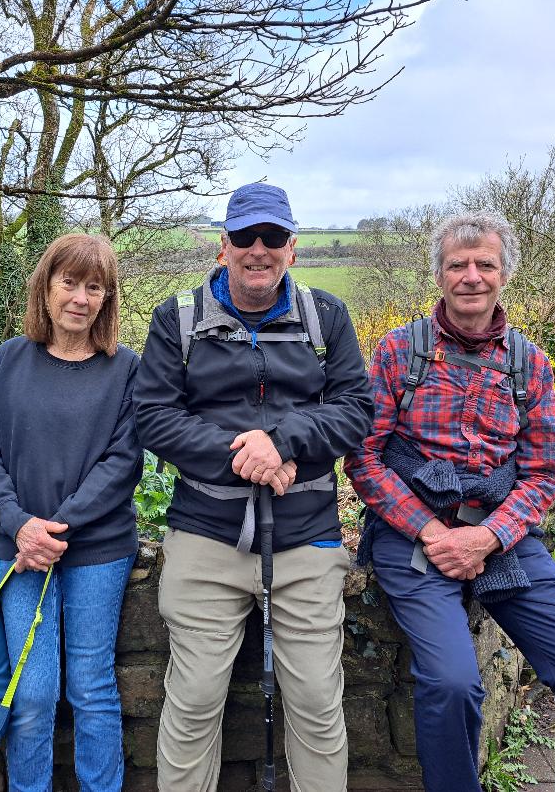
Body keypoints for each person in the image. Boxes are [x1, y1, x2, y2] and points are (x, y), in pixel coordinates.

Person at [344, 212, 555, 792]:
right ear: (439, 274)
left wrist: (487, 536)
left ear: (505, 275)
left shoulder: (529, 363)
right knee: (452, 685)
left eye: (485, 264)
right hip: (412, 540)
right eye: (457, 264)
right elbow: (365, 459)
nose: (470, 276)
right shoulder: (400, 352)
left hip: (503, 541)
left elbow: (546, 474)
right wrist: (432, 531)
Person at [133, 182, 374, 791]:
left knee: (319, 704)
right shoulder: (177, 320)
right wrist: (246, 455)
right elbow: (154, 416)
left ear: (292, 247)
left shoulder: (327, 318)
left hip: (305, 536)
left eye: (272, 237)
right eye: (245, 237)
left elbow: (356, 409)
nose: (258, 250)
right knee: (191, 703)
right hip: (206, 533)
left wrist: (286, 442)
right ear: (224, 246)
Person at [0, 233, 142, 792]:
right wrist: (21, 526)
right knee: (35, 691)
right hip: (20, 553)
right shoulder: (9, 360)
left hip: (98, 551)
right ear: (45, 287)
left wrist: (55, 528)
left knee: (90, 686)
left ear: (107, 300)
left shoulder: (126, 370)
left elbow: (123, 460)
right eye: (69, 282)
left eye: (95, 287)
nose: (80, 298)